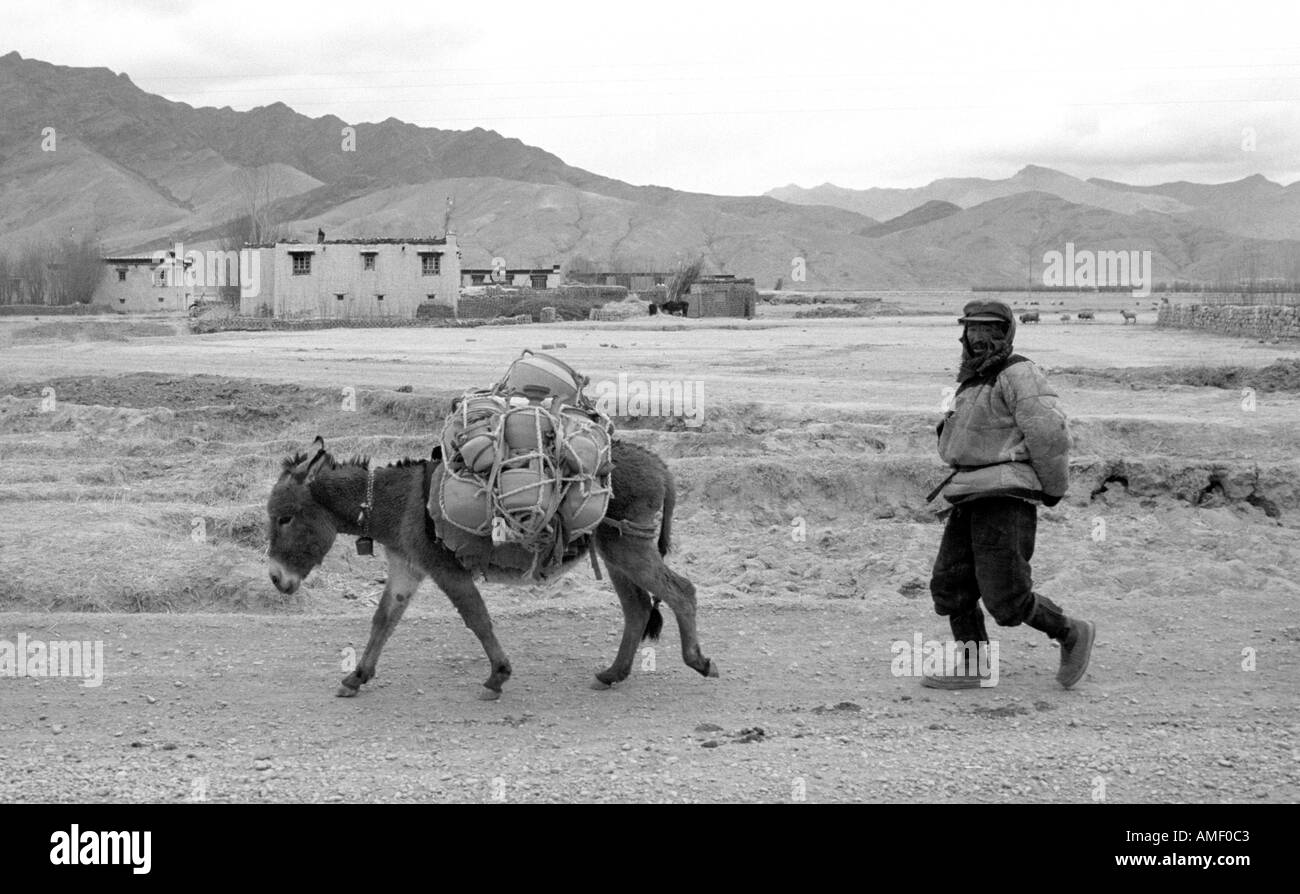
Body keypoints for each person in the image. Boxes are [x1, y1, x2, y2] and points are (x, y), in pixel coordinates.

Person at [924, 299, 1095, 689]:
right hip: (967, 493)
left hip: (1004, 496)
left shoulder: (1021, 373)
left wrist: (1053, 488)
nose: (979, 339)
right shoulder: (969, 381)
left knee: (1005, 596)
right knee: (951, 585)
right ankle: (973, 664)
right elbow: (951, 434)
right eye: (972, 331)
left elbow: (1049, 434)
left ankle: (1070, 631)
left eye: (989, 332)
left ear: (1006, 334)